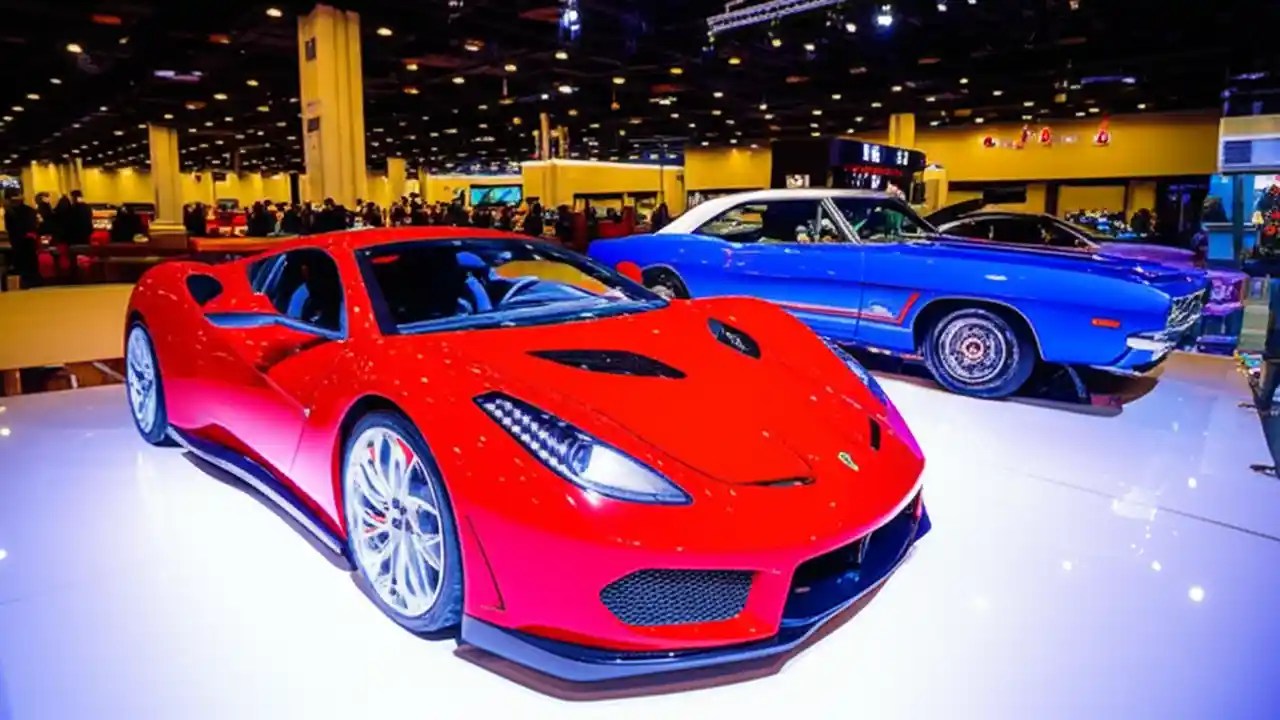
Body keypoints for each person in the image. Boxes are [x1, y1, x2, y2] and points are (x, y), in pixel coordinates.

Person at [3, 193, 41, 287]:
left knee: (20, 260)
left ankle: (22, 280)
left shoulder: (10, 212)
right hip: (29, 238)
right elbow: (35, 224)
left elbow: (9, 227)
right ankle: (34, 280)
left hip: (17, 239)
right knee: (31, 260)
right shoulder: (30, 210)